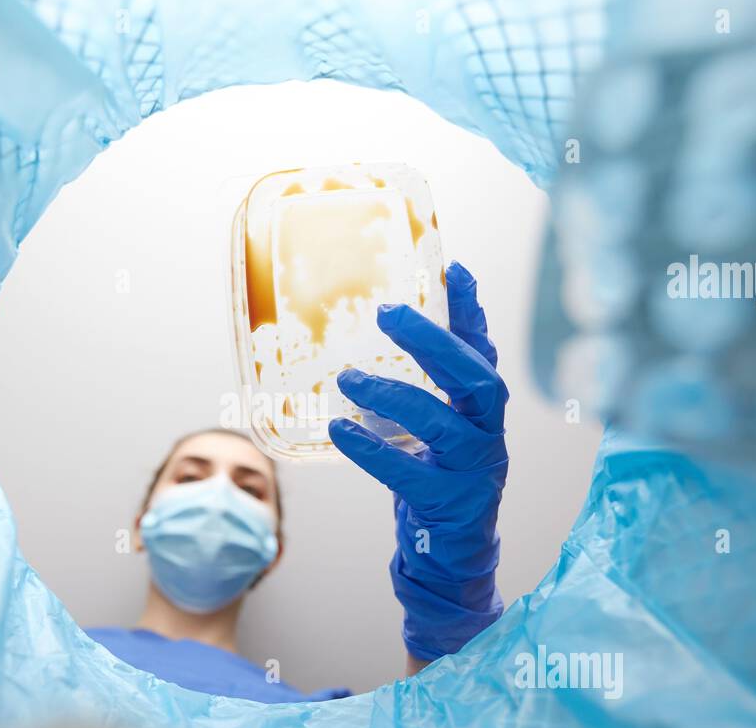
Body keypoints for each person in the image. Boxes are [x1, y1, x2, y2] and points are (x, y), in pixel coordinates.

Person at [86, 261, 509, 702]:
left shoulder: (312, 722)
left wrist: (450, 588)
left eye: (250, 489)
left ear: (274, 551)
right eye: (190, 476)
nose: (218, 496)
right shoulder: (42, 653)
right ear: (138, 527)